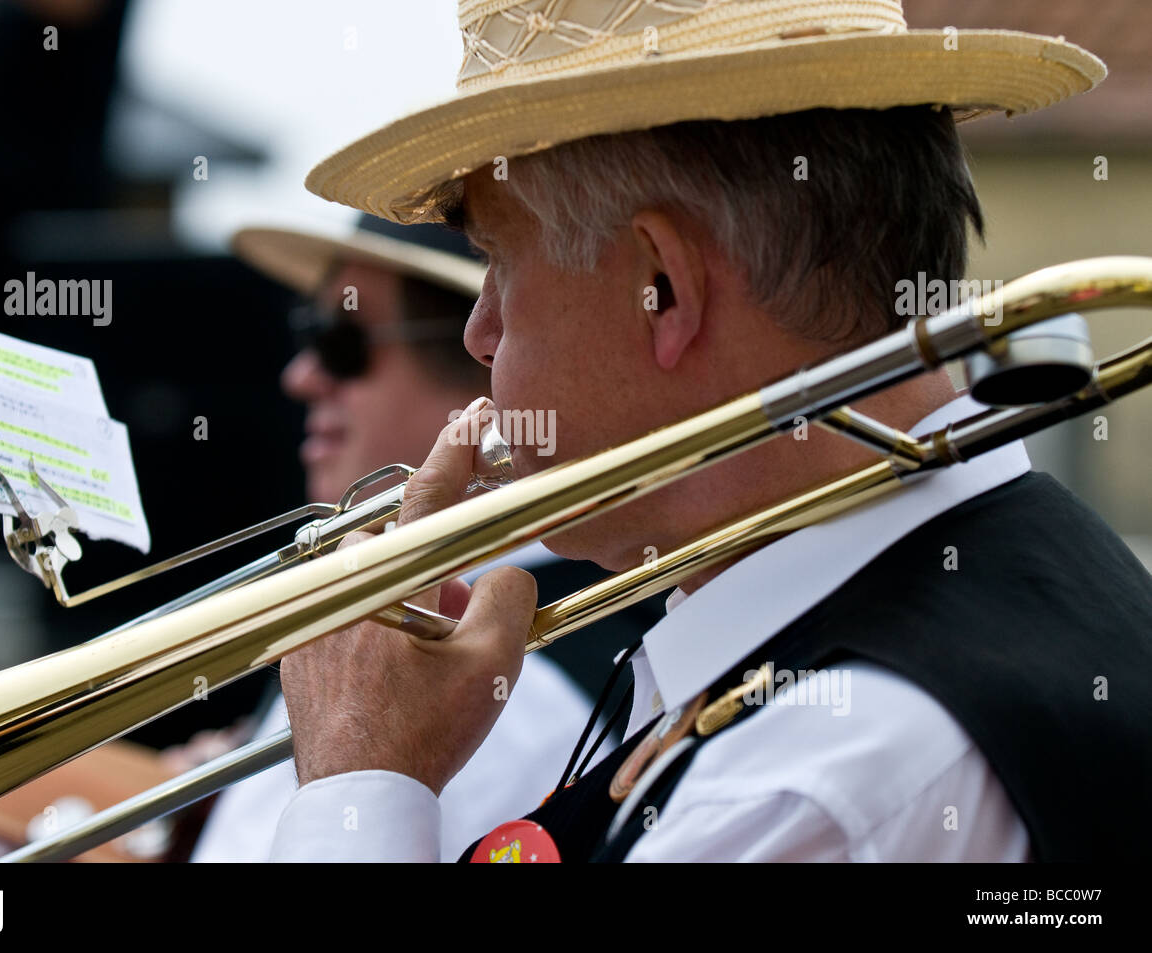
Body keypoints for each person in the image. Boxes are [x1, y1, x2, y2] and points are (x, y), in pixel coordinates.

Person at [270, 0, 1152, 862]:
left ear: (664, 287)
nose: (480, 331)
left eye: (499, 260)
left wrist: (361, 781)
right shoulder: (947, 615)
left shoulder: (810, 782)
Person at [191, 212, 661, 861]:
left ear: (482, 372)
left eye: (340, 341)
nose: (300, 375)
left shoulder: (506, 695)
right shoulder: (422, 651)